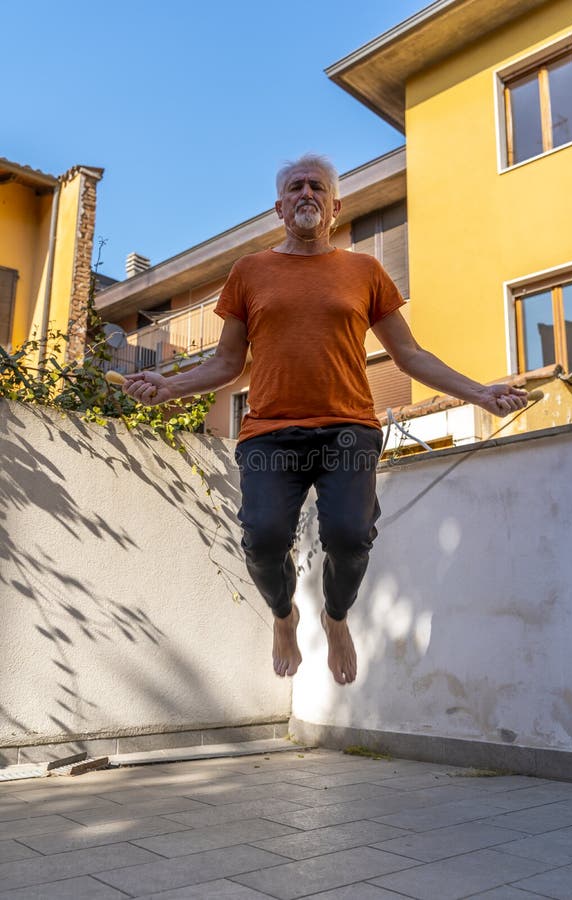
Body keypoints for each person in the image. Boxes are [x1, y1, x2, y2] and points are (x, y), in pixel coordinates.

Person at [121, 153, 527, 686]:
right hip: (270, 430)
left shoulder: (365, 272)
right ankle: (284, 615)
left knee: (350, 536)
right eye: (295, 187)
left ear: (334, 206)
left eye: (316, 186)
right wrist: (168, 385)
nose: (305, 193)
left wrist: (479, 392)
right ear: (279, 207)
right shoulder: (249, 272)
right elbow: (227, 363)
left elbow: (410, 356)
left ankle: (335, 619)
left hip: (348, 428)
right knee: (264, 541)